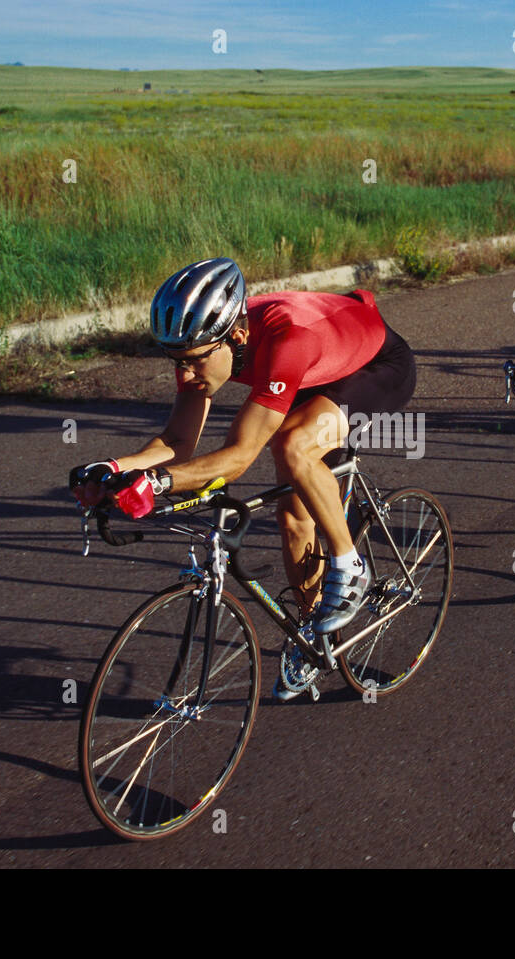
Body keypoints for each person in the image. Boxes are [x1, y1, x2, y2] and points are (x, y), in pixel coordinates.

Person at [68, 257, 417, 700]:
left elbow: (237, 459)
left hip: (373, 367)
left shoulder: (287, 338)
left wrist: (156, 484)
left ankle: (351, 566)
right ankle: (313, 635)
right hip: (307, 372)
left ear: (234, 337)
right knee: (292, 516)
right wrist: (114, 469)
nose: (185, 374)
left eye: (193, 361)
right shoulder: (207, 350)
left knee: (292, 446)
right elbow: (177, 441)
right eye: (175, 361)